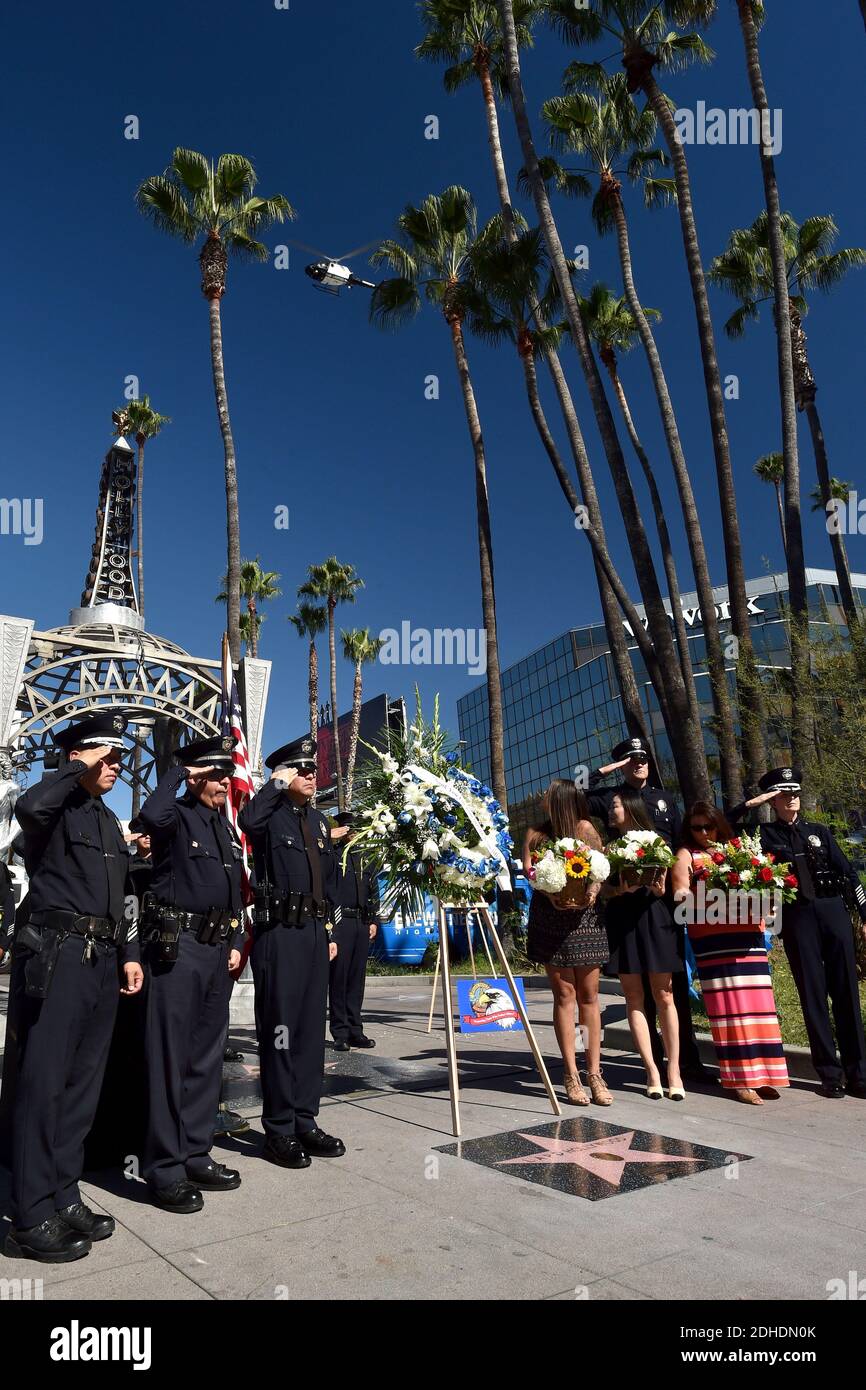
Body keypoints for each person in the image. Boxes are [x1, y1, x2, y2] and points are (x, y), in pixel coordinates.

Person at [5, 712, 143, 1263]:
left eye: (116, 758)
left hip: (102, 959)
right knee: (45, 1084)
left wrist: (129, 954)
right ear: (78, 758)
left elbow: (123, 892)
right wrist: (73, 769)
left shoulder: (107, 820)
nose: (116, 767)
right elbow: (28, 809)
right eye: (105, 758)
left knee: (83, 1087)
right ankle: (30, 1213)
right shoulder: (53, 804)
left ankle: (64, 1194)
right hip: (58, 956)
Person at [138, 735, 244, 1212]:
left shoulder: (224, 830)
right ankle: (164, 1168)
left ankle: (196, 1152)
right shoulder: (175, 817)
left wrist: (239, 942)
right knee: (170, 1059)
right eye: (216, 774)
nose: (225, 782)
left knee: (206, 1058)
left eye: (227, 774)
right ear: (197, 776)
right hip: (176, 949)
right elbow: (150, 815)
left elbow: (235, 892)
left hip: (218, 949)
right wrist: (182, 770)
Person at [238, 736, 344, 1168]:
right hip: (279, 933)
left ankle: (305, 1119)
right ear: (282, 774)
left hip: (314, 934)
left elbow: (328, 882)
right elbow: (246, 819)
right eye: (300, 770)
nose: (310, 776)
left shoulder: (318, 821)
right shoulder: (269, 814)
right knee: (279, 1031)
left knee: (306, 1033)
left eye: (311, 770)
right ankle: (278, 1128)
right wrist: (275, 785)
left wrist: (329, 929)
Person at [729, 768, 866, 1099]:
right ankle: (830, 1074)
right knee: (812, 992)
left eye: (795, 793)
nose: (792, 798)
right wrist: (751, 804)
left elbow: (849, 873)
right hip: (797, 916)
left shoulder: (818, 831)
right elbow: (725, 828)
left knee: (846, 989)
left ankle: (858, 1072)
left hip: (832, 909)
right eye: (784, 794)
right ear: (773, 800)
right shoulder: (763, 834)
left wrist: (864, 914)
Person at [588, 736, 711, 1085]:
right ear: (620, 765)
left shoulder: (664, 797)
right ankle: (652, 1065)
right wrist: (604, 772)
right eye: (630, 759)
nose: (639, 763)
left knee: (672, 990)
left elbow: (679, 840)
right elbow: (575, 796)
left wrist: (676, 890)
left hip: (661, 903)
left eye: (642, 758)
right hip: (626, 907)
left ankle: (687, 1062)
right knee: (638, 992)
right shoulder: (612, 798)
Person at [671, 801, 788, 1105]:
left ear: (718, 825)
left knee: (758, 1005)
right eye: (696, 827)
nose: (703, 833)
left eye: (708, 826)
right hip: (713, 941)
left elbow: (764, 881)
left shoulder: (737, 850)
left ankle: (763, 1075)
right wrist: (702, 894)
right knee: (730, 1010)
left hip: (747, 935)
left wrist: (768, 896)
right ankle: (738, 1080)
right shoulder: (686, 854)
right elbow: (680, 894)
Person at [523, 780, 612, 1107]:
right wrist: (550, 893)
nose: (542, 797)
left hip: (586, 920)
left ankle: (594, 1072)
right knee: (564, 995)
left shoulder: (585, 829)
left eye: (547, 794)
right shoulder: (536, 833)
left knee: (589, 996)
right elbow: (529, 873)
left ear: (560, 800)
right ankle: (570, 1074)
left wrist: (591, 892)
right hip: (550, 918)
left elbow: (600, 869)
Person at [603, 787, 684, 1101]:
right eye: (611, 807)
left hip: (655, 918)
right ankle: (651, 1070)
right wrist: (619, 890)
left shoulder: (657, 842)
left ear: (632, 808)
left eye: (616, 806)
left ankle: (673, 1070)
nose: (611, 812)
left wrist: (660, 885)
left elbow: (668, 887)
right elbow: (605, 891)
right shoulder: (611, 848)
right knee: (633, 996)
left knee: (665, 994)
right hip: (623, 922)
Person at [328, 810, 379, 1052]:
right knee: (339, 978)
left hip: (361, 922)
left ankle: (355, 1030)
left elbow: (374, 891)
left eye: (357, 830)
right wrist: (332, 930)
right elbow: (329, 894)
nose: (354, 834)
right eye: (350, 830)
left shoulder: (367, 857)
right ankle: (339, 1032)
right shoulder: (334, 856)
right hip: (341, 922)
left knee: (357, 981)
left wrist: (374, 920)